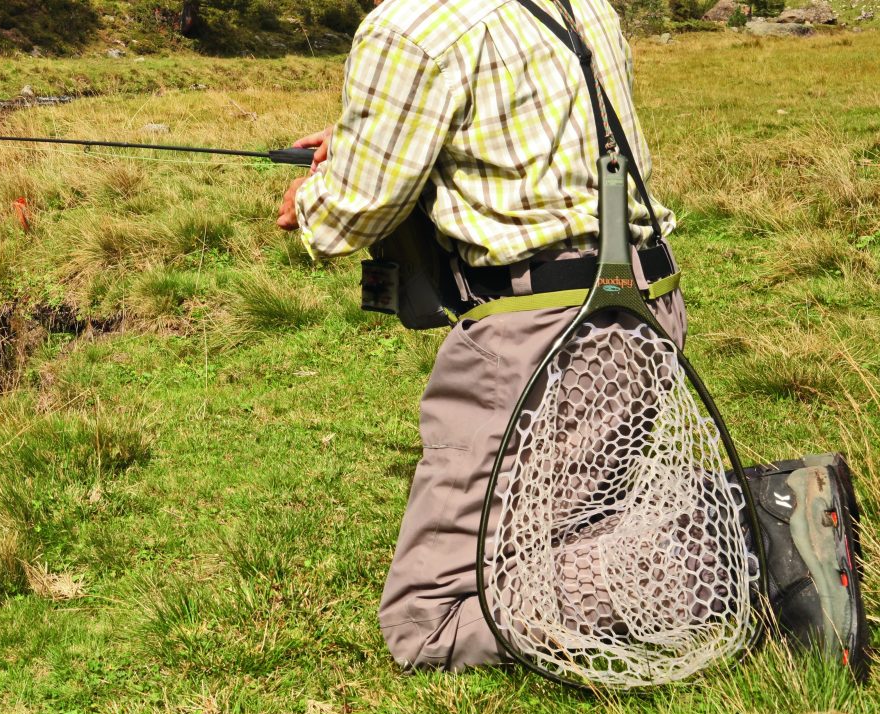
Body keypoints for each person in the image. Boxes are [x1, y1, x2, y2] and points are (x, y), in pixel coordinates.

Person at [276, 0, 866, 675]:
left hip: (544, 336)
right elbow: (516, 133)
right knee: (561, 530)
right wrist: (370, 136)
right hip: (641, 305)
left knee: (429, 616)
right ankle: (755, 520)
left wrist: (317, 193)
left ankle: (751, 542)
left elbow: (352, 211)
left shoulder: (410, 24)